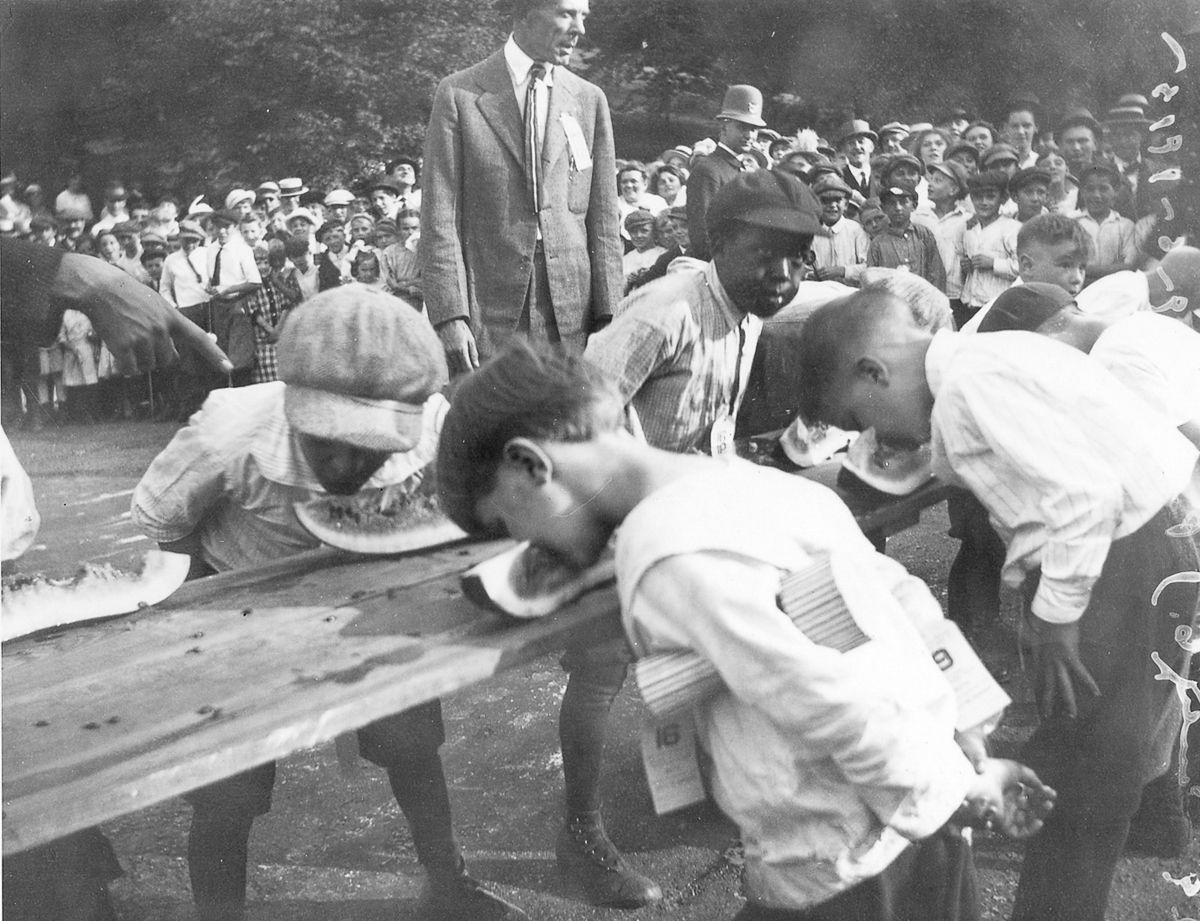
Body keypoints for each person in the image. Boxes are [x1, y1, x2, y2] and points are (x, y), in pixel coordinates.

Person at [435, 342, 1056, 921]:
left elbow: (810, 690)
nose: (525, 545)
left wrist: (951, 793)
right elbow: (906, 599)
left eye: (509, 523)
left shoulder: (666, 554)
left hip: (837, 861)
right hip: (920, 824)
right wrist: (970, 741)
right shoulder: (763, 486)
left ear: (528, 463)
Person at [794, 287, 1200, 921]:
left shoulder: (968, 384)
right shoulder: (987, 361)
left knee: (1091, 771)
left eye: (859, 420)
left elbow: (1084, 498)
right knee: (1092, 757)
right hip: (1139, 550)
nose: (873, 437)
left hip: (1122, 558)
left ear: (873, 373)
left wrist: (1055, 621)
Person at [130, 287, 526, 921]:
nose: (346, 464)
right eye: (326, 440)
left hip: (370, 604)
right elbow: (166, 527)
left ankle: (448, 881)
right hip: (237, 616)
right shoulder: (228, 430)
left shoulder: (434, 425)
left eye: (372, 447)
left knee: (413, 749)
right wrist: (200, 634)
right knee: (227, 794)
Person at [535, 171, 818, 910]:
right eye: (764, 254)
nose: (782, 275)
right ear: (719, 243)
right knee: (602, 665)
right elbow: (570, 415)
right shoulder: (665, 311)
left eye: (797, 258)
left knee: (721, 637)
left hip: (686, 507)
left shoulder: (749, 309)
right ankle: (579, 835)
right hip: (605, 505)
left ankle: (702, 783)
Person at [420, 0, 623, 373]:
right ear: (525, 13)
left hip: (572, 316)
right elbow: (439, 218)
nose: (580, 29)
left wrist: (610, 316)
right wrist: (450, 316)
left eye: (583, 16)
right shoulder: (459, 94)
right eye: (567, 14)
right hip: (487, 313)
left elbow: (604, 221)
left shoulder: (589, 99)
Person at [685, 84, 767, 261]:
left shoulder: (743, 171)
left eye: (753, 129)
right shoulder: (708, 170)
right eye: (742, 127)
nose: (749, 135)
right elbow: (702, 235)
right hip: (717, 267)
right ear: (724, 127)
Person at [957, 170, 1019, 324]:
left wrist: (993, 263)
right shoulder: (969, 229)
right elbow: (966, 264)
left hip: (996, 307)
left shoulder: (1011, 229)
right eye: (978, 197)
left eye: (991, 197)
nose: (984, 202)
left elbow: (1022, 268)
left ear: (1002, 199)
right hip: (969, 304)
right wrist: (966, 266)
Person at [867, 186, 946, 290]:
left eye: (903, 202)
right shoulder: (878, 243)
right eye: (892, 203)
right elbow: (872, 281)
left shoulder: (924, 234)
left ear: (914, 205)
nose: (898, 208)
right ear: (883, 208)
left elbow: (937, 273)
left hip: (922, 296)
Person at [925, 161, 971, 323]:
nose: (930, 184)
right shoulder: (920, 216)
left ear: (953, 190)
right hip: (925, 290)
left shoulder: (966, 220)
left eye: (938, 181)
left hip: (955, 294)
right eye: (930, 179)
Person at [1075, 162, 1139, 280]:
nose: (1096, 195)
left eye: (1103, 189)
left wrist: (1086, 269)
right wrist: (1114, 267)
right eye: (1090, 189)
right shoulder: (1072, 224)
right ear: (1082, 192)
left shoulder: (1125, 226)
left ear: (1115, 191)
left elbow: (1128, 266)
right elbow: (1069, 265)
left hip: (1115, 286)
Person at [809, 173, 869, 285]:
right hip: (820, 291)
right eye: (825, 200)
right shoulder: (811, 233)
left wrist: (843, 271)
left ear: (846, 205)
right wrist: (811, 274)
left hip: (851, 291)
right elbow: (804, 267)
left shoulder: (856, 230)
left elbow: (869, 267)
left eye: (837, 200)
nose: (832, 205)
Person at [837, 118, 876, 197]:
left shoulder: (882, 176)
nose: (857, 147)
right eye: (851, 143)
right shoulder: (838, 178)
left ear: (871, 147)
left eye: (861, 142)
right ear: (844, 150)